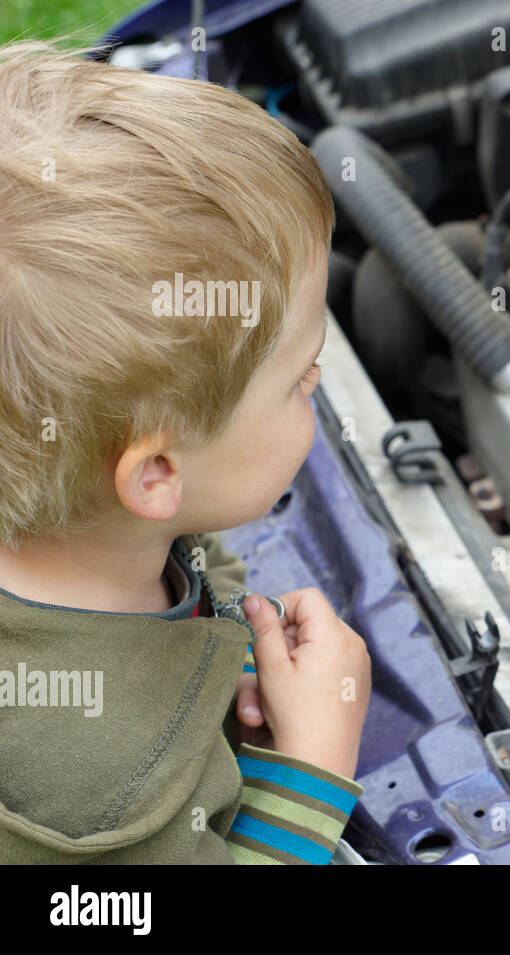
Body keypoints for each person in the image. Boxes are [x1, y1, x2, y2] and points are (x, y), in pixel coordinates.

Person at [0, 41, 371, 864]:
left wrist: (232, 628)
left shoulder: (76, 511)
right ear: (155, 474)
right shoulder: (103, 792)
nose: (318, 379)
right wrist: (311, 768)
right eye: (302, 377)